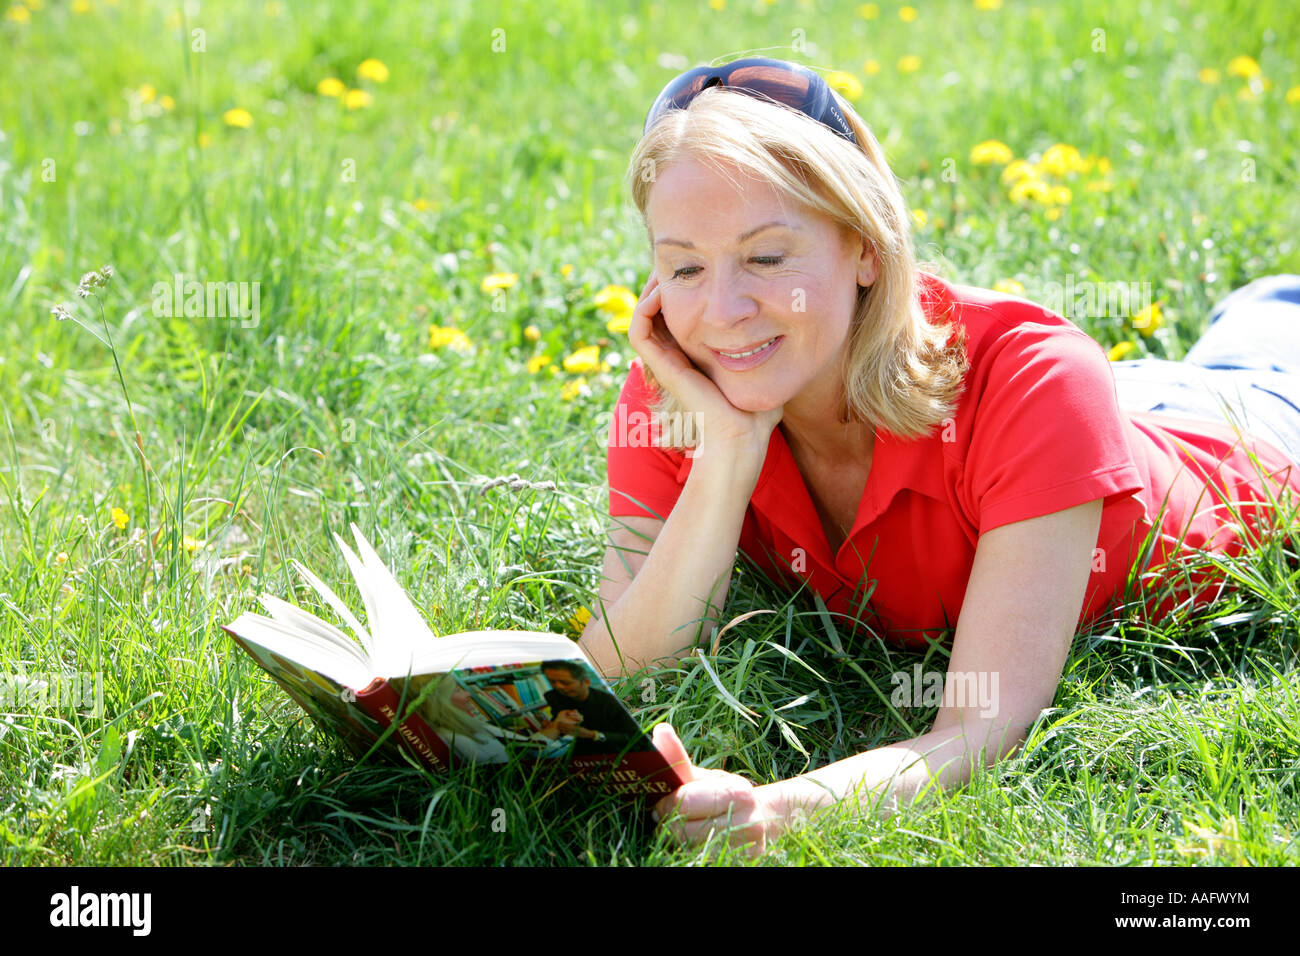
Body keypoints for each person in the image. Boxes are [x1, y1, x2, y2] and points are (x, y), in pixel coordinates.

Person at [578, 56, 1300, 854]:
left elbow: (983, 727)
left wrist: (780, 810)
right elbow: (620, 673)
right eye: (684, 266)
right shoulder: (679, 395)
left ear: (865, 247)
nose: (722, 312)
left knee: (1266, 351)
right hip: (1107, 412)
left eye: (768, 256)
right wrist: (729, 454)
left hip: (1248, 431)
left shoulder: (1037, 382)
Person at [536, 660, 650, 757]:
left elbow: (636, 739)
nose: (558, 687)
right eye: (552, 682)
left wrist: (592, 734)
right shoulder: (553, 696)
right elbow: (558, 718)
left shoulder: (609, 702)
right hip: (579, 751)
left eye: (565, 682)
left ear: (586, 682)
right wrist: (553, 725)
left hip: (616, 753)